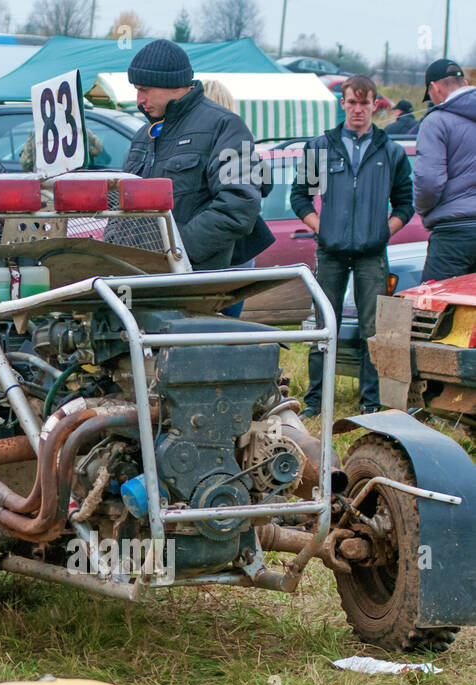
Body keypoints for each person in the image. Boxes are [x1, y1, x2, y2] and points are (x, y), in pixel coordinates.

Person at [290, 75, 413, 417]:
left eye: (365, 103)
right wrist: (322, 228)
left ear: (376, 105)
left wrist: (381, 232)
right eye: (352, 102)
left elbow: (405, 204)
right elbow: (300, 197)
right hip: (330, 251)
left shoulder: (391, 152)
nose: (358, 110)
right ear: (342, 104)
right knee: (322, 325)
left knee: (372, 331)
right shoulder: (321, 147)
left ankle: (370, 403)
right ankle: (316, 402)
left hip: (372, 254)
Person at [120, 39, 262, 271]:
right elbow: (122, 208)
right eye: (137, 91)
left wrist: (175, 254)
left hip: (191, 285)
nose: (139, 101)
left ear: (172, 84)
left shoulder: (225, 126)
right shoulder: (143, 137)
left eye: (144, 90)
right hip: (136, 276)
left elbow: (239, 206)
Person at [199, 78, 274, 317]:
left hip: (209, 248)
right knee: (230, 327)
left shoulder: (198, 145)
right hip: (241, 248)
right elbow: (265, 184)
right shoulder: (241, 140)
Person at [414, 59, 476, 282]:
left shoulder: (436, 122)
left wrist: (423, 210)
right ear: (466, 83)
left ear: (435, 87)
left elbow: (429, 180)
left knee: (437, 308)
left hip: (453, 234)